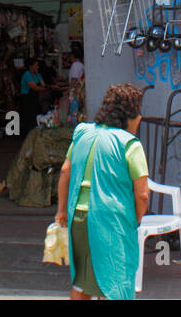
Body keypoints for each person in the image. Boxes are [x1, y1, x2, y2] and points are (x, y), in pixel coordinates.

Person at [54, 82, 150, 300]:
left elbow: (64, 171)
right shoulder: (130, 145)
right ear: (131, 115)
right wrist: (133, 220)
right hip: (112, 223)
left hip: (78, 220)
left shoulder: (82, 133)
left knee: (82, 283)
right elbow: (142, 195)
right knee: (114, 285)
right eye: (139, 114)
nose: (140, 119)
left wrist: (61, 211)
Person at [19, 59, 47, 130]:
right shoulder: (27, 74)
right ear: (31, 67)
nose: (37, 67)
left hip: (35, 98)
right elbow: (34, 87)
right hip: (27, 99)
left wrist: (48, 87)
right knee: (29, 118)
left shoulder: (37, 74)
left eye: (38, 65)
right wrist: (45, 88)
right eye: (36, 65)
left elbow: (43, 84)